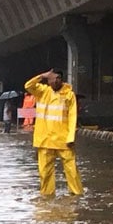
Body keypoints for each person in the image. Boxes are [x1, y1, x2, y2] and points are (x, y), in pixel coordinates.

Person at [24, 68, 83, 197]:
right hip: (45, 140)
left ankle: (76, 194)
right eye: (52, 78)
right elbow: (28, 85)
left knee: (72, 171)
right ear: (48, 80)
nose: (55, 81)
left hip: (63, 140)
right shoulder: (42, 91)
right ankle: (47, 196)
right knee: (44, 173)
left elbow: (72, 117)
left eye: (58, 78)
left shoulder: (68, 94)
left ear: (62, 80)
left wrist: (71, 137)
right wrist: (41, 75)